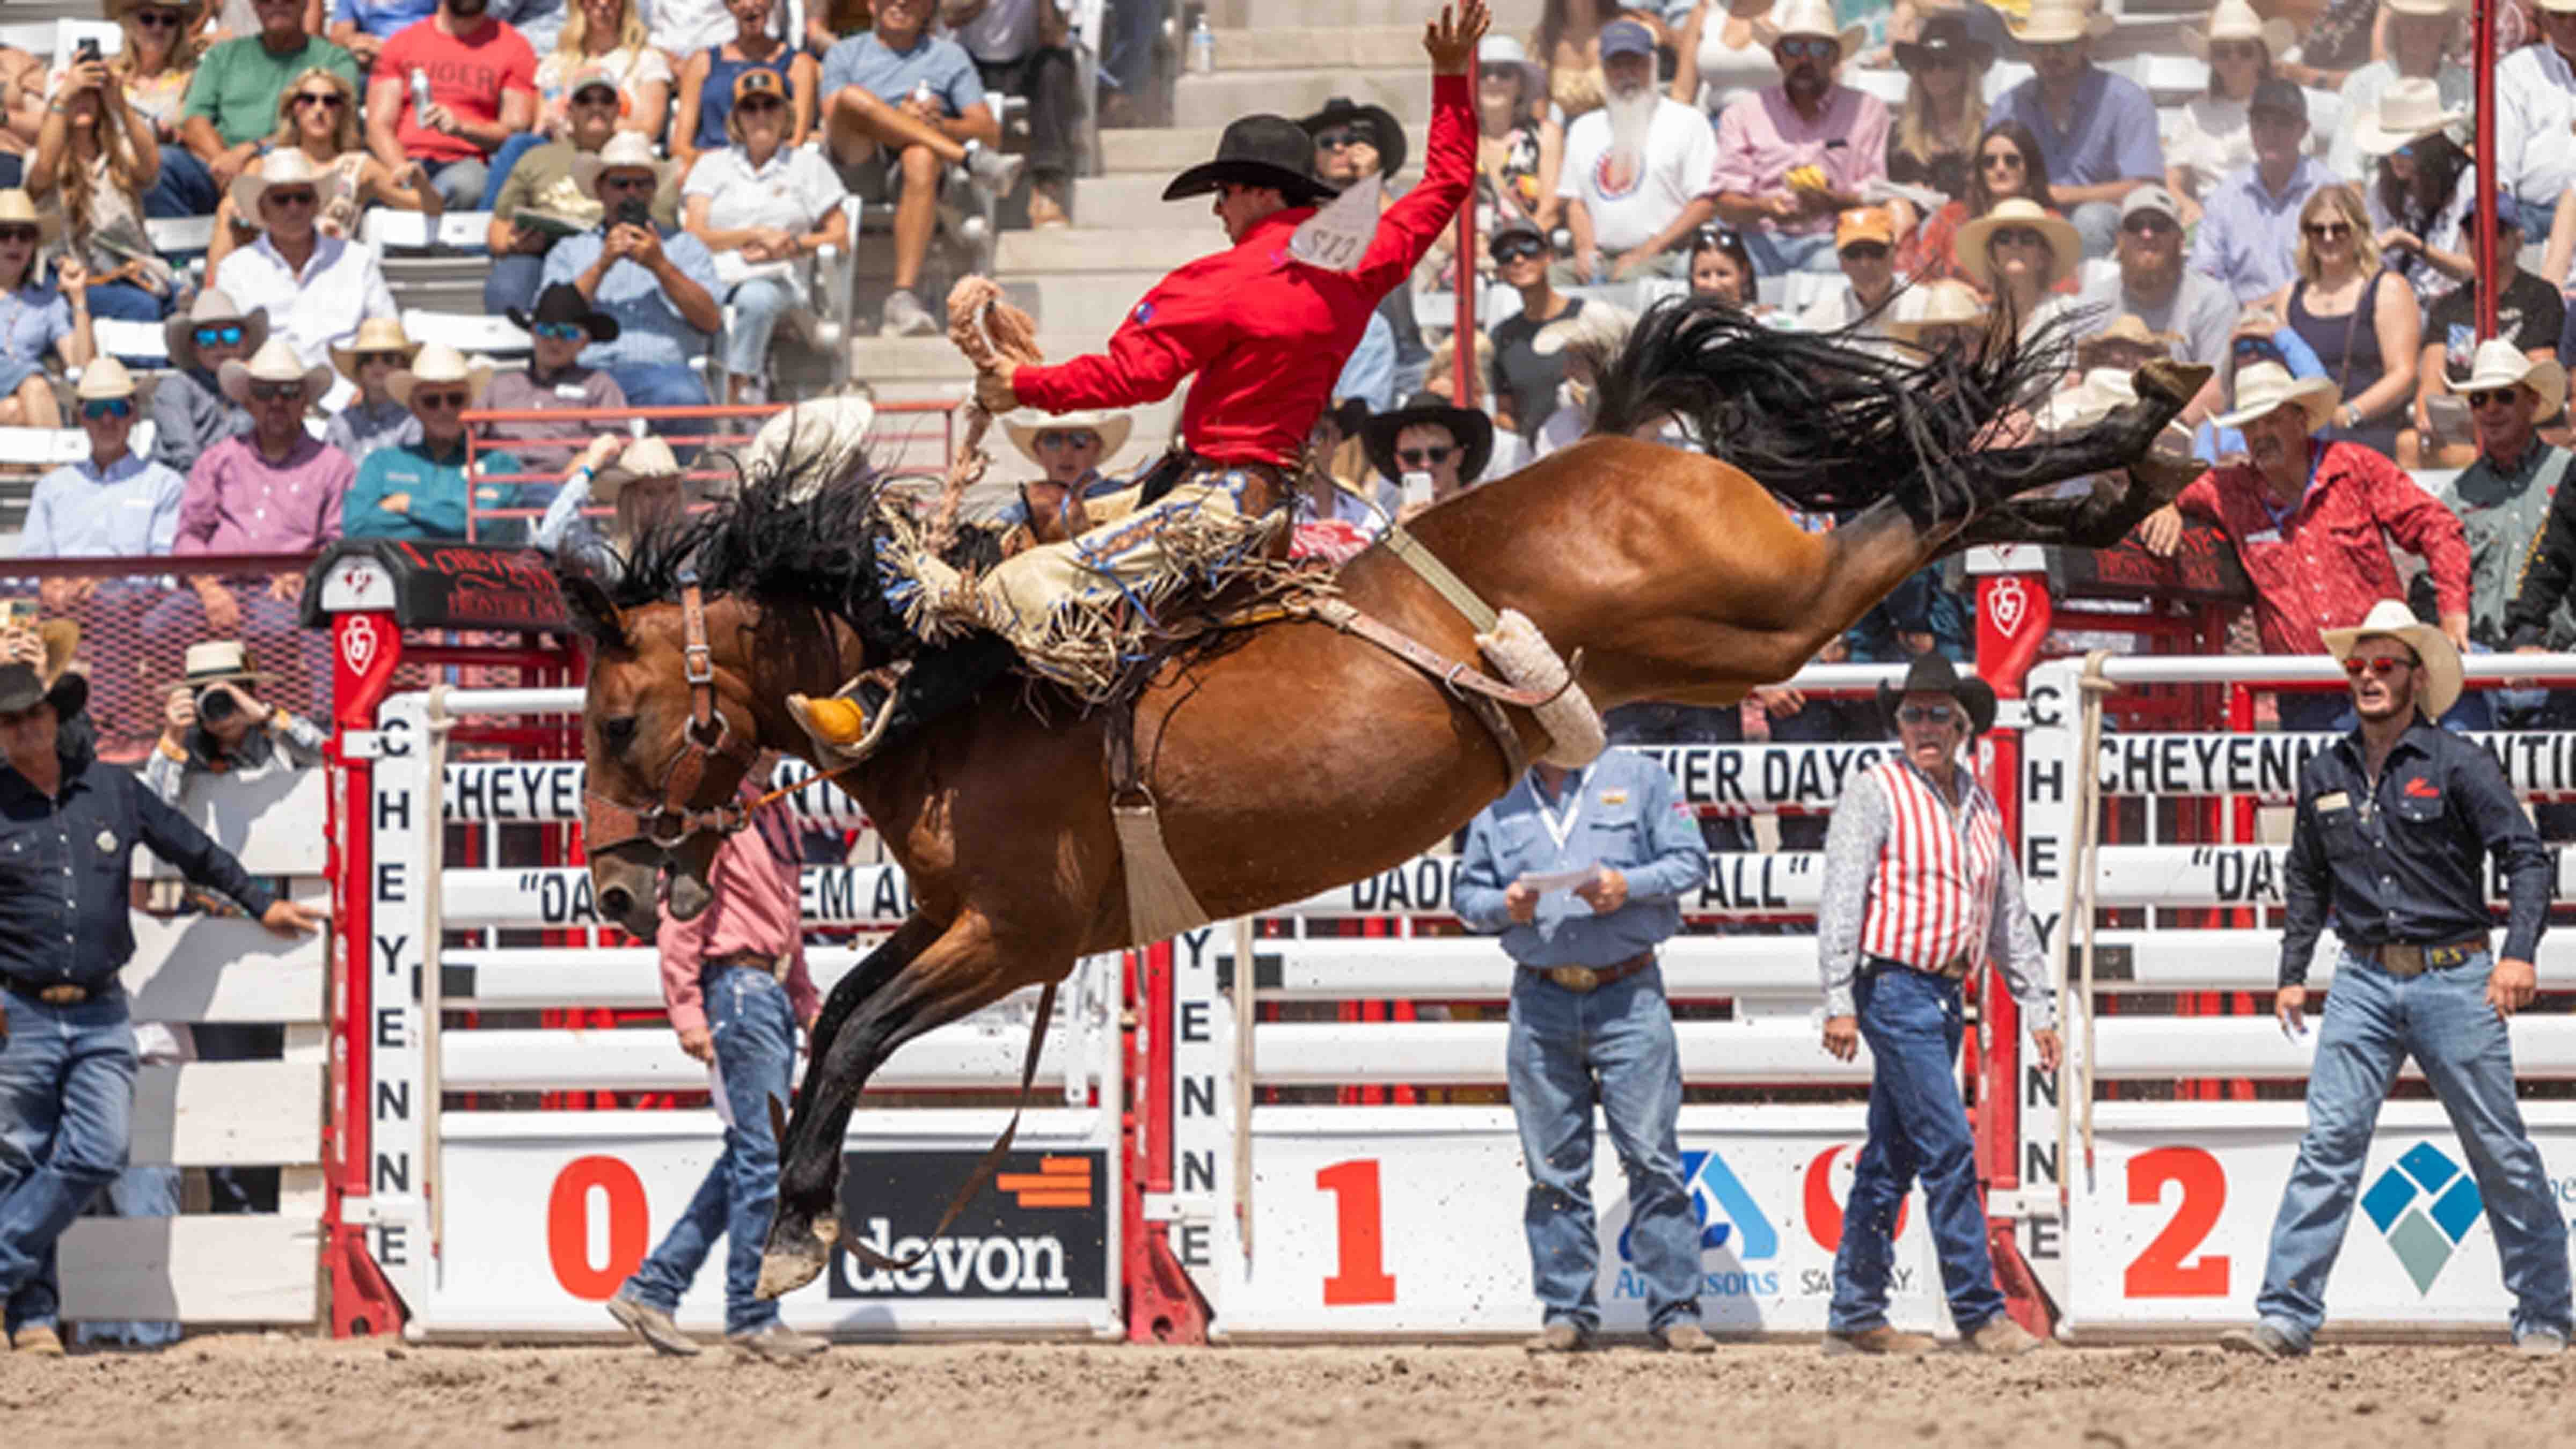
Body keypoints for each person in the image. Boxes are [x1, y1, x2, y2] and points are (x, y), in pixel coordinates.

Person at [791, 0, 1488, 758]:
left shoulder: (1215, 282)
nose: (1218, 206)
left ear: (1257, 191)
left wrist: (1019, 385)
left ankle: (882, 712)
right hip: (1252, 502)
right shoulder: (1359, 258)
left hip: (1213, 508)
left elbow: (1130, 378)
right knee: (1020, 529)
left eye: (1224, 190)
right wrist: (1451, 78)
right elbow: (1450, 181)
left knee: (1030, 581)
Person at [2218, 599, 2571, 1362]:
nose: (2369, 678)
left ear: (2415, 677)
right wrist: (2292, 972)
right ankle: (2284, 1314)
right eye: (2359, 666)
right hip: (2365, 978)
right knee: (2330, 1143)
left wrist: (2519, 952)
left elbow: (2526, 855)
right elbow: (2307, 876)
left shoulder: (2460, 763)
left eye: (2385, 666)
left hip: (2456, 973)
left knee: (2499, 1149)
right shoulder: (2326, 770)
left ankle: (2547, 1312)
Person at [0, 625, 322, 1356]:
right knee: (23, 1161)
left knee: (95, 1151)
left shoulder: (113, 791)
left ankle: (10, 1284)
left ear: (57, 717)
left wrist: (257, 900)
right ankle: (33, 1318)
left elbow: (193, 848)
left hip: (100, 1004)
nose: (26, 729)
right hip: (22, 1005)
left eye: (35, 715)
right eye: (12, 721)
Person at [1814, 652, 2057, 1358]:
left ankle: (1855, 1312)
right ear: (1898, 722)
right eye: (1913, 713)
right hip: (1894, 985)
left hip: (1946, 992)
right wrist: (1839, 995)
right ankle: (1979, 1311)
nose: (1925, 725)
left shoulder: (1980, 804)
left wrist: (2036, 1004)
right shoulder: (1876, 790)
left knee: (1892, 1155)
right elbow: (1844, 892)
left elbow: (2007, 911)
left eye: (1937, 715)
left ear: (1961, 727)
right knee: (1949, 1144)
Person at [1451, 744, 1716, 1355]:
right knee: (1552, 1169)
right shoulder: (1497, 793)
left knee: (1652, 1156)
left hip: (1628, 991)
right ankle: (1566, 1310)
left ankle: (1676, 1309)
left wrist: (1630, 884)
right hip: (1542, 997)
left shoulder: (1643, 778)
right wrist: (1504, 906)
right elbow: (1468, 897)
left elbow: (1691, 861)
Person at [605, 780, 824, 1362]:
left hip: (759, 990)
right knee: (763, 1156)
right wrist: (687, 1011)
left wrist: (805, 1002)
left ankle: (655, 1288)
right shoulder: (718, 812)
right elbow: (683, 912)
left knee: (749, 1155)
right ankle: (750, 1314)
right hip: (742, 990)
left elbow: (785, 920)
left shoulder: (764, 811)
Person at [2139, 361, 2468, 730]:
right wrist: (2165, 503)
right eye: (2251, 425)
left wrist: (2452, 611)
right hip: (2304, 694)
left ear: (2301, 419)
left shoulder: (2355, 467)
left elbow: (2437, 526)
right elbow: (2160, 486)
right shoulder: (2228, 489)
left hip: (2381, 677)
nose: (2260, 434)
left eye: (2271, 420)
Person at [140, 339, 352, 706]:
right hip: (215, 585)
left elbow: (338, 541)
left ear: (305, 401)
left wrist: (304, 574)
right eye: (265, 391)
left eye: (289, 392)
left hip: (285, 592)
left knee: (275, 627)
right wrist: (208, 589)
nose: (277, 402)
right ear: (248, 400)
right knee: (158, 627)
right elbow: (190, 533)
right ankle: (177, 721)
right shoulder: (218, 459)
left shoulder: (333, 465)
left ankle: (289, 723)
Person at [816, 0, 1021, 336]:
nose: (899, 3)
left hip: (918, 173)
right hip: (859, 164)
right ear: (871, 5)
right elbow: (833, 116)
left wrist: (938, 125)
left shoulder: (949, 57)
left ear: (929, 9)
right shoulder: (845, 53)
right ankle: (970, 161)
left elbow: (988, 129)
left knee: (921, 156)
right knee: (850, 98)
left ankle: (903, 297)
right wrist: (901, 116)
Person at [19, 358, 186, 753]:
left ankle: (106, 724)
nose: (107, 419)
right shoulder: (52, 488)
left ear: (134, 415)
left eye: (118, 408)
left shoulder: (165, 484)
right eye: (96, 409)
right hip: (63, 606)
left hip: (133, 605)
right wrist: (54, 587)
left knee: (113, 599)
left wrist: (100, 583)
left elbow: (163, 568)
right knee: (15, 607)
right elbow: (31, 566)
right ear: (81, 417)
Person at [682, 68, 852, 403]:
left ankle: (737, 388)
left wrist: (791, 246)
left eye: (770, 106)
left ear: (786, 114)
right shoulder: (712, 166)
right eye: (750, 108)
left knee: (756, 298)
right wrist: (756, 234)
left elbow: (840, 236)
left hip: (780, 279)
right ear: (736, 119)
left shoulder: (808, 167)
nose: (760, 116)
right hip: (715, 276)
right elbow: (695, 233)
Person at [540, 131, 726, 415]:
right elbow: (549, 321)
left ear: (654, 190)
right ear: (600, 190)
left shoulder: (685, 247)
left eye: (642, 184)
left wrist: (661, 267)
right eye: (621, 184)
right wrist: (601, 266)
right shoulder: (569, 251)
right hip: (586, 373)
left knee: (685, 398)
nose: (632, 193)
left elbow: (711, 319)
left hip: (665, 375)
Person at [1708, 1, 1888, 278]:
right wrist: (1766, 208)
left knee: (1835, 267)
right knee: (1695, 267)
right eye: (1793, 49)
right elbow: (1725, 202)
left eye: (1818, 49)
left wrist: (1830, 201)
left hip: (1834, 238)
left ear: (1835, 58)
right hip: (1760, 240)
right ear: (1778, 56)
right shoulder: (1743, 113)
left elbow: (1876, 196)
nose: (1805, 60)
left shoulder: (1866, 111)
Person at [483, 63, 679, 317]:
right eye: (585, 100)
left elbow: (665, 226)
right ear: (570, 109)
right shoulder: (536, 159)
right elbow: (497, 232)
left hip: (624, 257)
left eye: (606, 100)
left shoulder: (641, 164)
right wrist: (515, 244)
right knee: (508, 287)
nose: (596, 107)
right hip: (542, 255)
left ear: (618, 109)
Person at [210, 67, 440, 268]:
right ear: (294, 109)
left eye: (331, 102)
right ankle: (213, 306)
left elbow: (429, 207)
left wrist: (422, 183)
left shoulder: (360, 167)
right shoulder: (265, 166)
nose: (319, 109)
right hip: (271, 275)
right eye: (308, 100)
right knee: (228, 208)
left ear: (342, 112)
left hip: (330, 277)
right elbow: (233, 215)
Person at [1984, 0, 2161, 259]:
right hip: (2025, 216)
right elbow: (1985, 174)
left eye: (2064, 45)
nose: (2051, 55)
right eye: (2040, 47)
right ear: (2027, 51)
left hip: (2104, 222)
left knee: (2091, 220)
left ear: (2086, 44)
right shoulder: (2009, 104)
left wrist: (2067, 196)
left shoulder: (2127, 101)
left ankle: (2082, 299)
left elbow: (2145, 186)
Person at [2264, 181, 2419, 457]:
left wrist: (2348, 414)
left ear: (2358, 233)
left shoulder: (2388, 288)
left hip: (2370, 432)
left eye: (2340, 229)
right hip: (2306, 436)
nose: (2328, 237)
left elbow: (2403, 373)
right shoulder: (2290, 296)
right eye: (2317, 230)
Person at [2410, 196, 2563, 469]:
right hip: (2464, 429)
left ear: (2518, 239)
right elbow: (2431, 381)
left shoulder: (2540, 297)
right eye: (2472, 230)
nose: (2484, 238)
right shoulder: (2448, 307)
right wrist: (2427, 418)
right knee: (2409, 445)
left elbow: (2538, 377)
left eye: (2497, 230)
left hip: (2517, 421)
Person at [213, 148, 397, 375]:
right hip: (268, 396)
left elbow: (388, 334)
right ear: (263, 208)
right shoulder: (235, 271)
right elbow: (226, 352)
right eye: (281, 199)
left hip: (348, 398)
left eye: (303, 197)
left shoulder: (357, 260)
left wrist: (364, 391)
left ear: (316, 204)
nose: (294, 207)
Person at [26, 45, 172, 323]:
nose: (82, 101)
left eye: (90, 94)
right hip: (72, 282)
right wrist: (64, 95)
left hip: (135, 274)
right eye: (73, 97)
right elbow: (44, 170)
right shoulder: (40, 159)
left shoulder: (119, 157)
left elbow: (151, 166)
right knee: (143, 308)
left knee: (183, 301)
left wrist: (119, 103)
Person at [179, 0, 361, 218]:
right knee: (167, 166)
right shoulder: (223, 56)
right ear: (255, 5)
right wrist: (226, 162)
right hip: (220, 167)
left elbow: (335, 122)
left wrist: (253, 150)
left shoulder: (335, 60)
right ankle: (174, 252)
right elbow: (195, 120)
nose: (277, 4)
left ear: (306, 4)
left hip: (302, 170)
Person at [2074, 185, 2234, 423]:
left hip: (2181, 429)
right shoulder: (2093, 302)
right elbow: (2075, 378)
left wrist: (2157, 432)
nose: (2147, 234)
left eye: (2159, 226)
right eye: (2136, 226)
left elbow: (2218, 388)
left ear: (2180, 240)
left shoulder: (2213, 300)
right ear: (2120, 240)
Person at [342, 343, 529, 543]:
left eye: (455, 399)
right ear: (414, 407)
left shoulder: (501, 465)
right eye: (432, 401)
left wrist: (405, 505)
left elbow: (483, 525)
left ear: (470, 402)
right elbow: (355, 527)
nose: (445, 409)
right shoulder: (381, 462)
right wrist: (451, 523)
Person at [365, 0, 540, 210]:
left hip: (465, 163)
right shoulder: (403, 42)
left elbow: (513, 132)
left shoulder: (514, 47)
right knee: (356, 177)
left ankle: (418, 202)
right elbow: (378, 125)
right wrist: (403, 171)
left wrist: (460, 128)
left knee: (467, 187)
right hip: (404, 160)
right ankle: (419, 201)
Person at [2189, 78, 2331, 306]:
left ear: (2303, 130)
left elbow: (2343, 276)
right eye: (2260, 123)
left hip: (2310, 317)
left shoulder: (2330, 193)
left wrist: (2268, 305)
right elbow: (2204, 272)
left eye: (2282, 123)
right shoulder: (2227, 196)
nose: (2270, 132)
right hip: (2238, 322)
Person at [2165, 0, 2302, 226]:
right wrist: (2188, 205)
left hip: (2268, 212)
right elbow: (2171, 180)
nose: (2234, 59)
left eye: (2245, 51)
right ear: (2213, 61)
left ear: (2262, 58)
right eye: (2222, 52)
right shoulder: (2195, 112)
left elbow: (2296, 175)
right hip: (2208, 217)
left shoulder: (2284, 107)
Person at [146, 641, 329, 809]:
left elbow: (329, 759)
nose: (219, 704)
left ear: (249, 692)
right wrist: (172, 739)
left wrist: (268, 717)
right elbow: (155, 812)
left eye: (231, 691)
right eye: (205, 693)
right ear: (192, 699)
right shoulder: (185, 751)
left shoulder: (278, 740)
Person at [954, 0, 1082, 229]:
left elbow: (1057, 36)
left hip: (1025, 62)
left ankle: (1047, 188)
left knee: (1055, 65)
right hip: (965, 59)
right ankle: (953, 194)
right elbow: (944, 17)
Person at [2326, 0, 2471, 185]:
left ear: (2448, 29)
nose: (2419, 31)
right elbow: (2346, 169)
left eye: (2430, 23)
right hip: (2375, 200)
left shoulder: (2467, 87)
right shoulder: (2363, 84)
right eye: (2410, 22)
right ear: (2395, 26)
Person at [1896, 121, 2054, 290]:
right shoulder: (1951, 217)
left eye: (2011, 161)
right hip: (1955, 310)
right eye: (1989, 162)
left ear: (2029, 168)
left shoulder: (2049, 223)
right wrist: (1946, 287)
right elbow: (1917, 280)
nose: (2000, 168)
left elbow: (2063, 293)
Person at [2359, 83, 2475, 309]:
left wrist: (2414, 246)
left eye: (2404, 149)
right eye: (2389, 149)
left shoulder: (2467, 184)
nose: (2395, 158)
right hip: (2392, 302)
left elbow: (2473, 270)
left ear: (2430, 148)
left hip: (2449, 307)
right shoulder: (2382, 184)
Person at [672, 0, 817, 176]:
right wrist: (723, 165)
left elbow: (795, 141)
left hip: (772, 170)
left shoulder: (799, 64)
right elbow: (680, 145)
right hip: (711, 167)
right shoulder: (702, 62)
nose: (749, 5)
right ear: (727, 6)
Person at [486, 281, 628, 451]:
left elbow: (613, 447)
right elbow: (467, 438)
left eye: (567, 333)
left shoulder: (600, 386)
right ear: (533, 333)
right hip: (501, 475)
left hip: (574, 476)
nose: (555, 341)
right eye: (546, 330)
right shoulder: (498, 388)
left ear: (584, 342)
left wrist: (581, 470)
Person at [1881, 13, 1990, 226]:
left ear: (1966, 71)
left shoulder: (1990, 128)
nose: (1937, 72)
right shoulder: (1900, 134)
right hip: (1913, 233)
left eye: (1948, 63)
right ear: (1918, 74)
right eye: (1927, 64)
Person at [534, 433, 690, 580]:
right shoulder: (610, 557)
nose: (662, 502)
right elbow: (549, 540)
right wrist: (589, 468)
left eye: (671, 490)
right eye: (649, 493)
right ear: (628, 500)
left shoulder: (691, 549)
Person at [114, 0, 212, 219]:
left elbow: (196, 125)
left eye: (169, 21)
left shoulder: (195, 75)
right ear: (131, 23)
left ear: (179, 29)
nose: (158, 28)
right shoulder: (111, 74)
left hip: (168, 168)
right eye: (147, 19)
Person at [0, 192, 90, 429]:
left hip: (24, 405)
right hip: (31, 391)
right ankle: (59, 467)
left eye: (25, 235)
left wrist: (78, 297)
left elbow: (82, 367)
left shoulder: (47, 300)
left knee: (16, 410)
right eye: (4, 234)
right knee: (33, 385)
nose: (14, 243)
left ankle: (50, 466)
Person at [1488, 214, 1581, 438]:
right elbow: (1506, 411)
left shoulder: (1586, 318)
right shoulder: (1502, 336)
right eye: (1507, 255)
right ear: (1501, 271)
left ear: (1548, 257)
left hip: (1587, 454)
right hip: (1535, 459)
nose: (1519, 260)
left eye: (1528, 249)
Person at [530, 0, 672, 148]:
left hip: (622, 156)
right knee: (522, 144)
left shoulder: (646, 60)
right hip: (563, 156)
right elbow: (540, 128)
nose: (603, 3)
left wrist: (583, 126)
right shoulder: (555, 64)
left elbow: (650, 129)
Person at [152, 290, 262, 477]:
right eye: (208, 338)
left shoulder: (258, 391)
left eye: (230, 336)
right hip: (181, 489)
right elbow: (185, 456)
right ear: (193, 346)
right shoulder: (175, 388)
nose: (220, 345)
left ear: (244, 342)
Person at [1955, 195, 2079, 342]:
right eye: (2004, 238)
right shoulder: (1980, 323)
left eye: (2028, 239)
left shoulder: (2068, 312)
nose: (2015, 245)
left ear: (2043, 257)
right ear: (1993, 255)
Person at [2494, 0, 2576, 218]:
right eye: (2560, 15)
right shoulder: (2516, 73)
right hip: (2535, 219)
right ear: (2544, 19)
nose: (2570, 24)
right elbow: (2500, 169)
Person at [1362, 392, 1496, 519]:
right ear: (1400, 463)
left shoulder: (1485, 520)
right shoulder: (1385, 532)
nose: (1425, 464)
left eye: (1438, 454)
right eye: (1412, 457)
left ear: (1458, 457)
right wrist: (1402, 535)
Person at [1475, 34, 1554, 232]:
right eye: (1483, 73)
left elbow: (1549, 213)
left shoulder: (1546, 135)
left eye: (1504, 73)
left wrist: (1517, 249)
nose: (1493, 80)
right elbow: (1441, 216)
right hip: (1470, 254)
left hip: (1528, 251)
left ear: (1521, 85)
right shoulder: (1457, 140)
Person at [1794, 204, 1902, 345]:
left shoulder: (1924, 308)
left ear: (1894, 253)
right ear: (1841, 262)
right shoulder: (1819, 320)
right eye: (1853, 253)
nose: (1865, 263)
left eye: (1875, 251)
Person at [324, 316, 423, 465]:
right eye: (368, 358)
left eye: (388, 358)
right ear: (358, 370)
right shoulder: (341, 423)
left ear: (404, 368)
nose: (378, 365)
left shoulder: (413, 424)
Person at [1672, 0, 1790, 118]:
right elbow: (1682, 92)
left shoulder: (1798, 8)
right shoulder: (1705, 10)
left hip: (1783, 122)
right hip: (1719, 124)